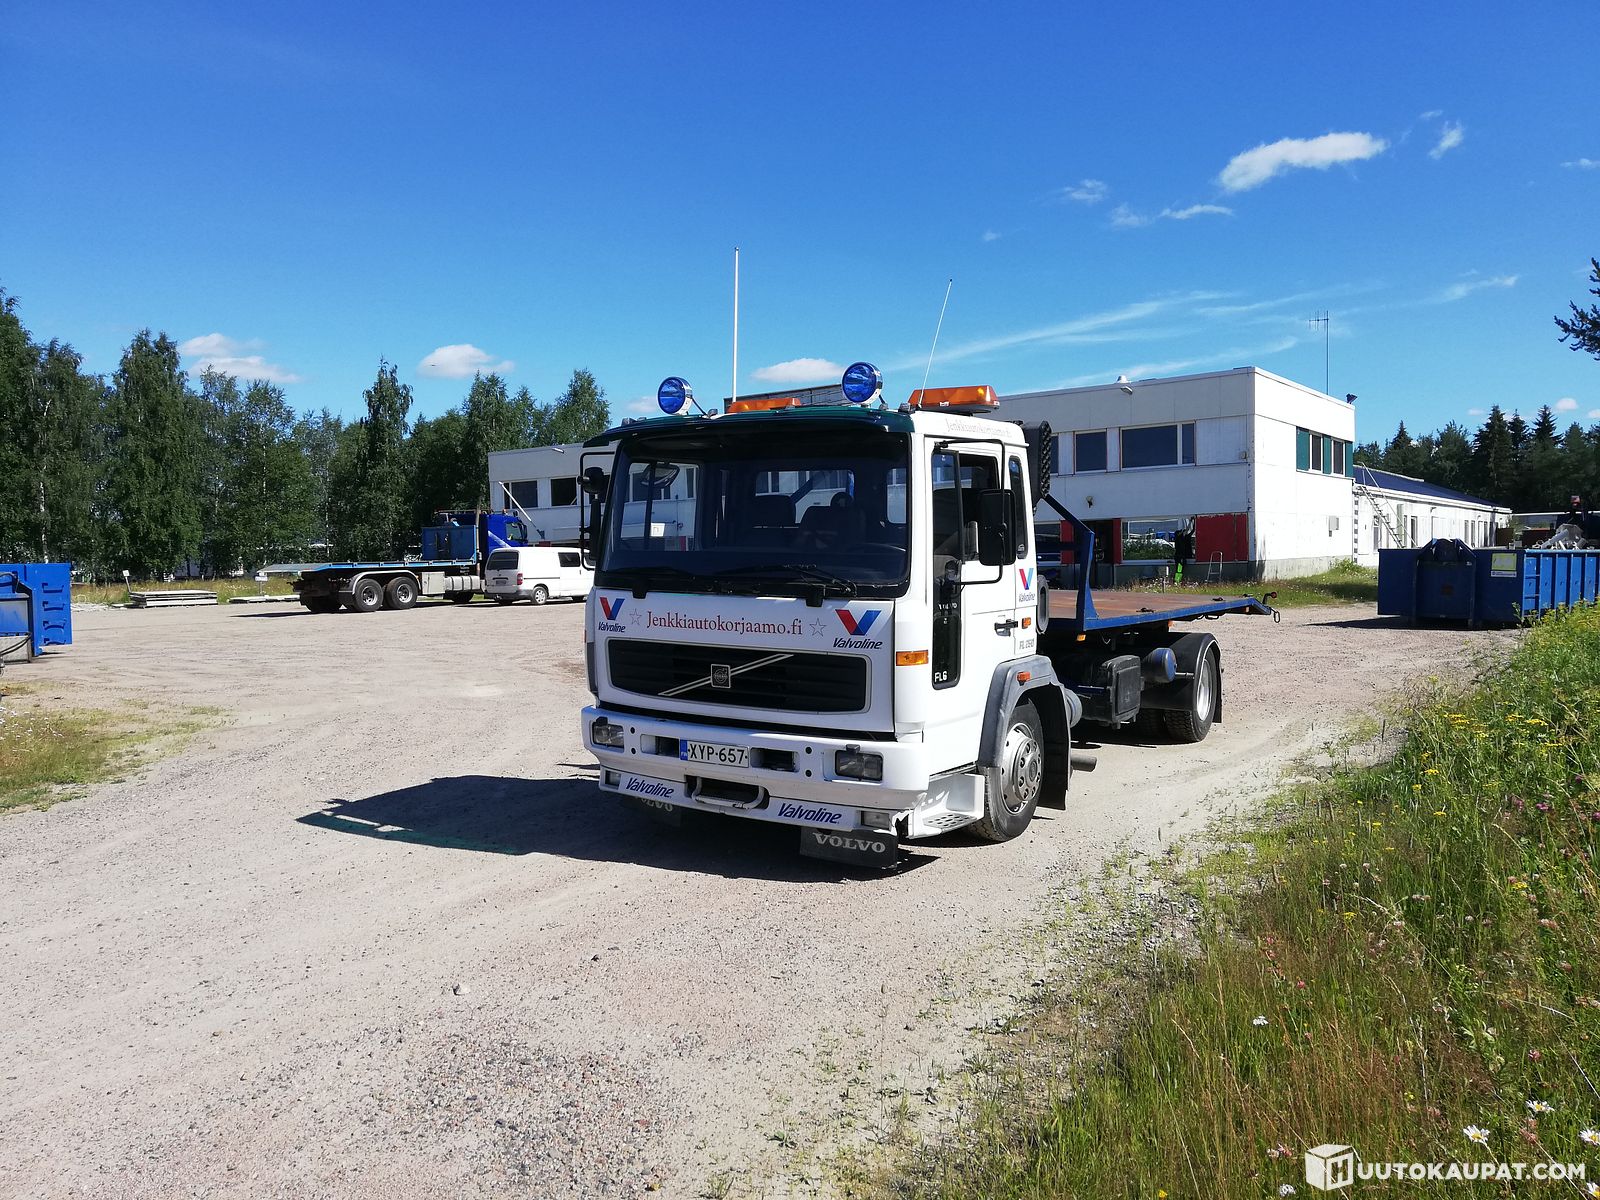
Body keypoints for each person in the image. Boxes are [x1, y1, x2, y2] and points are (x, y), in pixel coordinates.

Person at [1172, 520, 1195, 585]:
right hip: (1179, 557)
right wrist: (1190, 521)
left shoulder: (1182, 538)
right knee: (1179, 570)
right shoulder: (1178, 538)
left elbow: (1189, 530)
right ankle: (1177, 581)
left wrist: (1191, 522)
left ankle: (1177, 581)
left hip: (1181, 557)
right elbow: (1187, 530)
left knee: (1179, 570)